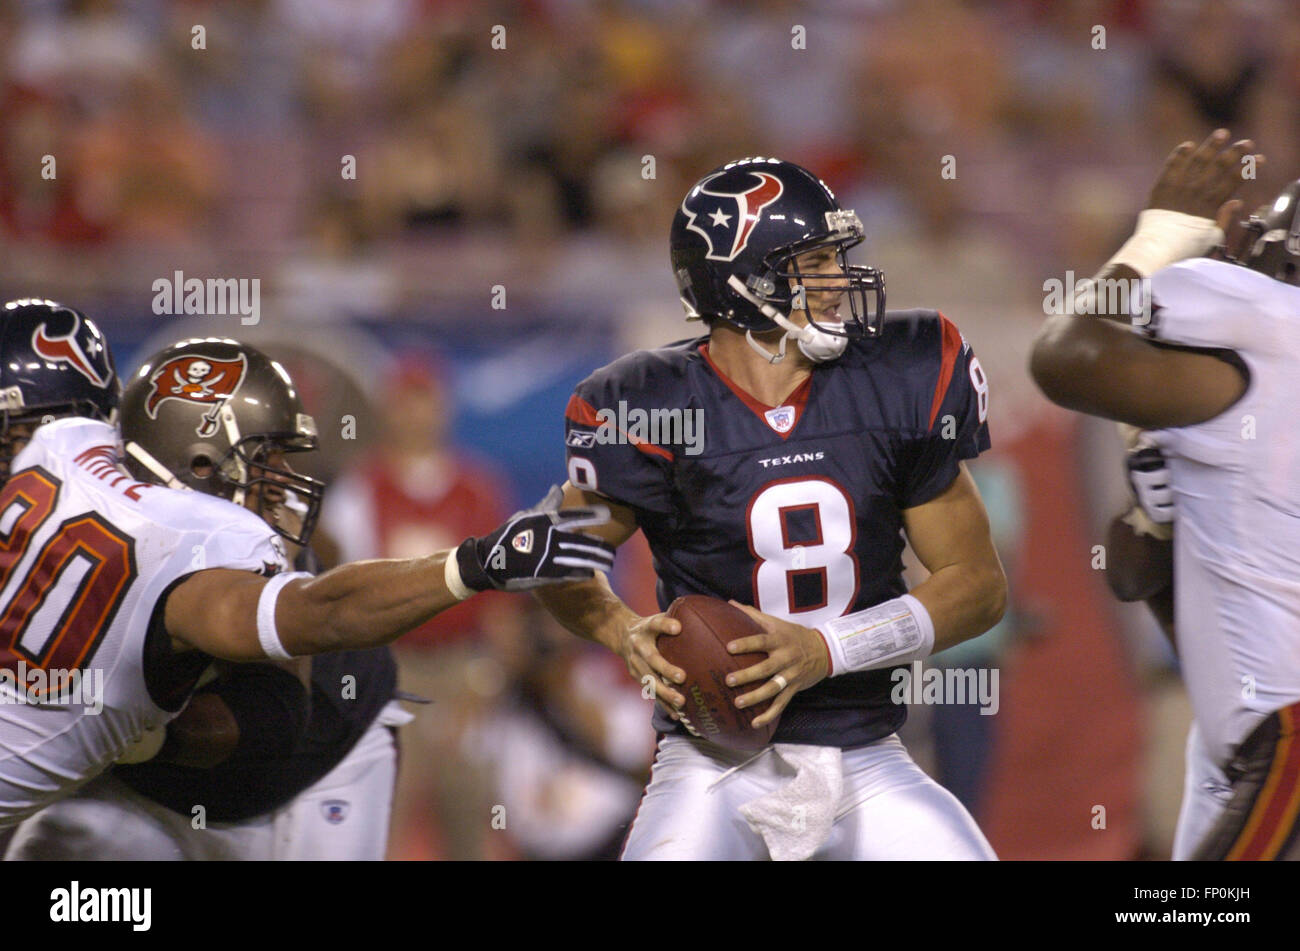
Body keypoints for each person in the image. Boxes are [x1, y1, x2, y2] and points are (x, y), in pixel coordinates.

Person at [535, 157, 1008, 860]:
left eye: (834, 259)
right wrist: (618, 628)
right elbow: (561, 558)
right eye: (812, 261)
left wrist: (826, 650)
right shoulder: (651, 405)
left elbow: (978, 584)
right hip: (711, 763)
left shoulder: (899, 378)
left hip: (866, 754)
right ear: (741, 281)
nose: (837, 280)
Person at [0, 301, 616, 831]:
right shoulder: (195, 543)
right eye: (262, 458)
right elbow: (320, 611)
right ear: (200, 462)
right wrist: (474, 564)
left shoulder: (60, 446)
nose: (283, 485)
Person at [8, 338, 399, 859]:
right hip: (142, 791)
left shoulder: (234, 538)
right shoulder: (77, 509)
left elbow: (270, 717)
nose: (282, 485)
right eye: (265, 457)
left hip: (313, 768)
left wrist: (142, 737)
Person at [1031, 129, 1300, 860]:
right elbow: (1145, 581)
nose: (1236, 249)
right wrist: (1158, 519)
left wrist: (1162, 235)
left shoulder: (1273, 324)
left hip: (1283, 739)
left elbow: (1067, 355)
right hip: (1245, 736)